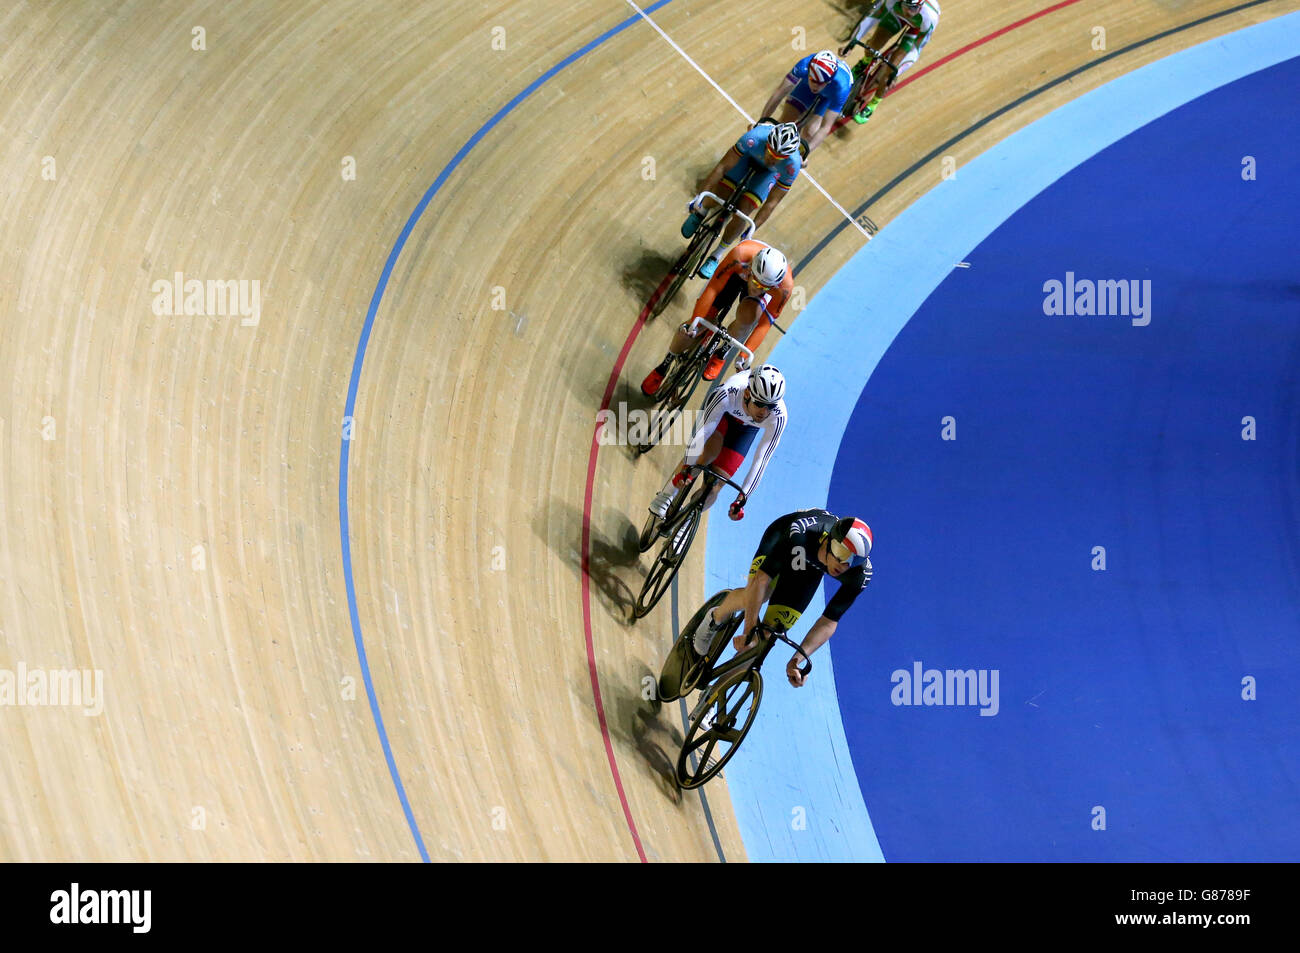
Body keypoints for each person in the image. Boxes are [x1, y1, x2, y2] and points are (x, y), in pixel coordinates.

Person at [689, 509, 872, 687]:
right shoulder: (801, 533)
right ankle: (715, 617)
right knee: (758, 595)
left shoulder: (859, 575)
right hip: (785, 539)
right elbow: (761, 580)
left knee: (766, 636)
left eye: (854, 560)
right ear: (830, 540)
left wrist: (797, 660)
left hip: (806, 567)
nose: (845, 564)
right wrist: (749, 630)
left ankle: (712, 696)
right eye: (842, 554)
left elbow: (829, 622)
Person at [641, 241, 792, 395]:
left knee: (749, 316)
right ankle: (664, 365)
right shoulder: (739, 256)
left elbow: (764, 325)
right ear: (752, 268)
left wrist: (744, 355)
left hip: (754, 286)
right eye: (755, 282)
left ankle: (723, 352)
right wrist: (695, 321)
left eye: (764, 287)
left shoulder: (784, 288)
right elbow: (713, 288)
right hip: (735, 275)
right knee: (699, 323)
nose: (757, 288)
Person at [647, 365, 787, 523]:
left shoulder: (779, 416)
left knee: (715, 485)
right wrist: (686, 468)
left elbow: (761, 460)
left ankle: (685, 522)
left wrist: (742, 498)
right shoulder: (729, 392)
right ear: (747, 394)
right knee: (706, 455)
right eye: (760, 404)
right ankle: (666, 495)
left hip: (745, 431)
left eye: (771, 406)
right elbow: (703, 434)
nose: (764, 412)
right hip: (722, 416)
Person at [682, 122, 801, 279]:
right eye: (771, 153)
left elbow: (772, 203)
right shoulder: (754, 137)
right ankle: (701, 212)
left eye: (779, 158)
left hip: (767, 176)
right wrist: (700, 197)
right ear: (767, 143)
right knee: (720, 194)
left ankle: (717, 255)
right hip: (747, 158)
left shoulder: (792, 166)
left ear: (787, 157)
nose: (772, 159)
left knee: (744, 211)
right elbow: (722, 167)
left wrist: (751, 230)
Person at [840, 0, 940, 124]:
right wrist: (851, 43)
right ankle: (865, 62)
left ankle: (874, 103)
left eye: (914, 8)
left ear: (921, 6)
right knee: (872, 45)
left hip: (916, 30)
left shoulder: (929, 18)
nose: (910, 12)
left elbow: (916, 50)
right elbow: (871, 18)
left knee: (889, 74)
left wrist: (895, 72)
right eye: (907, 6)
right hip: (896, 16)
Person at [756, 50, 853, 153]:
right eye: (813, 80)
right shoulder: (803, 67)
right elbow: (779, 93)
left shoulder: (841, 88)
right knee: (785, 121)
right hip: (806, 86)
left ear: (828, 81)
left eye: (820, 83)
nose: (815, 86)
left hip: (830, 95)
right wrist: (760, 122)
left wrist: (805, 153)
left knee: (809, 133)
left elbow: (825, 127)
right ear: (809, 73)